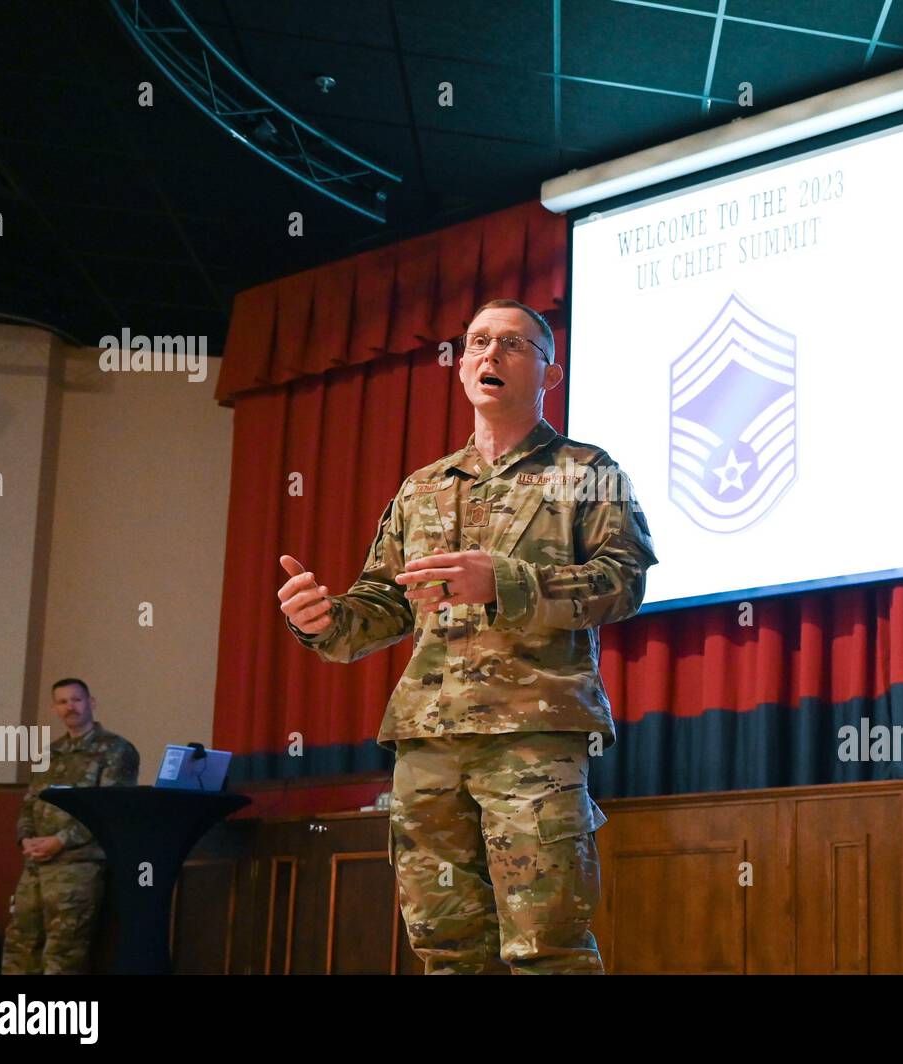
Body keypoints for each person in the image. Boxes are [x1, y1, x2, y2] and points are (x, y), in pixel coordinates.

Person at [278, 298, 657, 975]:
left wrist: (506, 582)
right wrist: (324, 620)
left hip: (532, 738)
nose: (490, 354)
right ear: (459, 367)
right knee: (447, 949)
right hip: (427, 742)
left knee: (548, 947)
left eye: (512, 343)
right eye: (478, 341)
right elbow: (384, 603)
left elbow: (620, 583)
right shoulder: (422, 488)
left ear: (551, 371)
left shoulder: (587, 471)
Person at [1, 678, 139, 975]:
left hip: (79, 865)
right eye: (62, 702)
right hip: (36, 865)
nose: (70, 707)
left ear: (91, 702)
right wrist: (26, 839)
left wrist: (61, 840)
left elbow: (110, 810)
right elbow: (29, 804)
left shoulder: (116, 750)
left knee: (63, 952)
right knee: (19, 944)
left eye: (76, 700)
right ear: (55, 708)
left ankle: (60, 1019)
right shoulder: (47, 754)